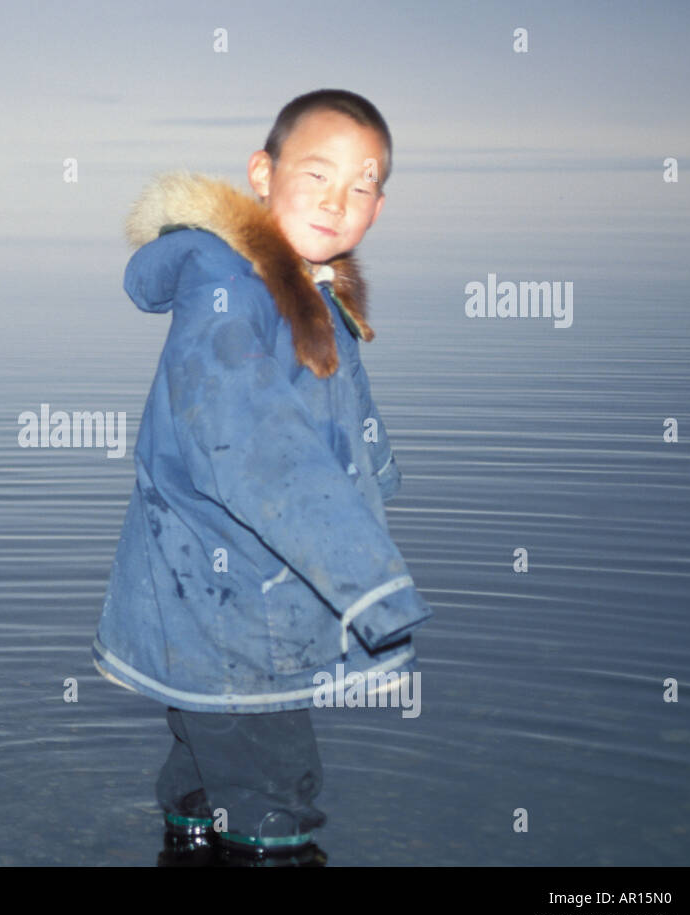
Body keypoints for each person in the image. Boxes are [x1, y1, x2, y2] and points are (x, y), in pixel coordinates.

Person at [94, 90, 432, 863]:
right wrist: (370, 582)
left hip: (201, 599)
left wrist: (377, 475)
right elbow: (253, 453)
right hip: (230, 601)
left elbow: (339, 404)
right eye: (316, 175)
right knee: (275, 794)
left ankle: (189, 838)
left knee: (207, 771)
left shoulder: (310, 283)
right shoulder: (230, 291)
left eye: (361, 185)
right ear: (261, 174)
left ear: (379, 206)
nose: (337, 201)